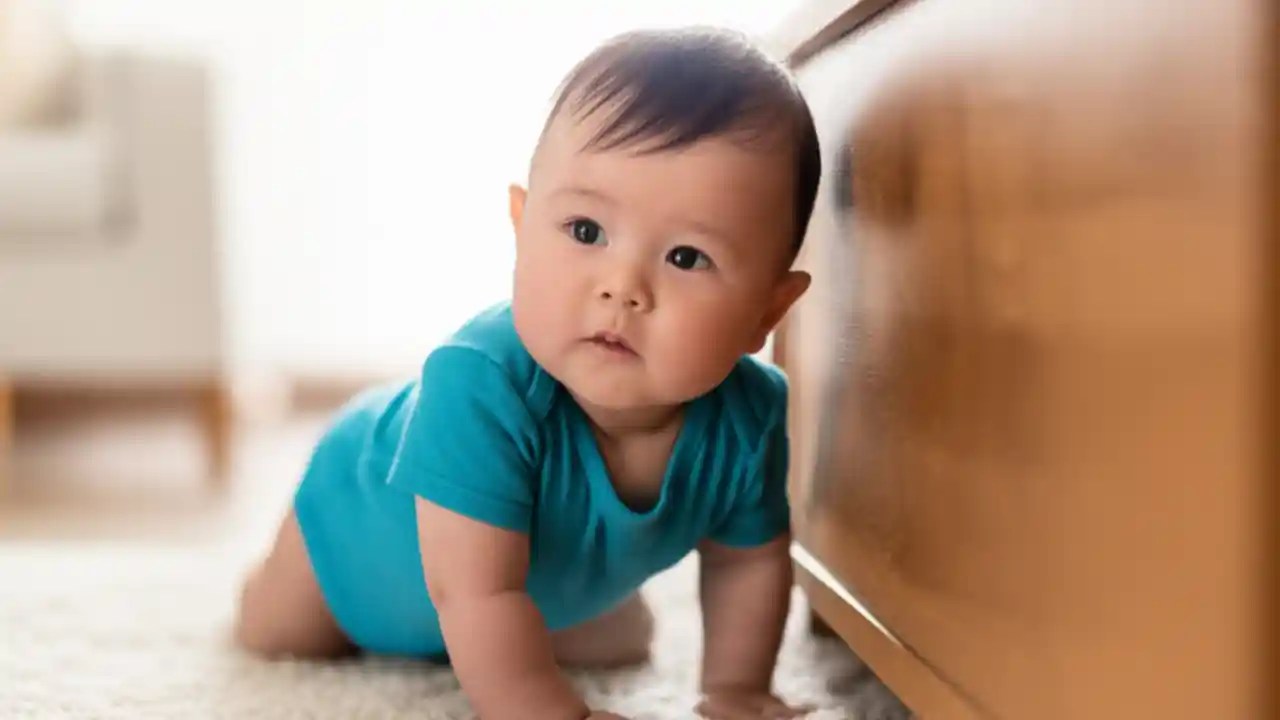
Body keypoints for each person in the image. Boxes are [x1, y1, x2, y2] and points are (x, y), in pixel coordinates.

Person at [235, 26, 821, 720]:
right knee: (273, 636)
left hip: (519, 585)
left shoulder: (750, 417)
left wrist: (738, 688)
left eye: (687, 257)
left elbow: (747, 561)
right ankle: (278, 583)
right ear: (520, 228)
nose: (622, 288)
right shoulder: (478, 383)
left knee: (614, 643)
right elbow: (472, 592)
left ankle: (565, 599)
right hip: (354, 532)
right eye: (585, 232)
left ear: (769, 311)